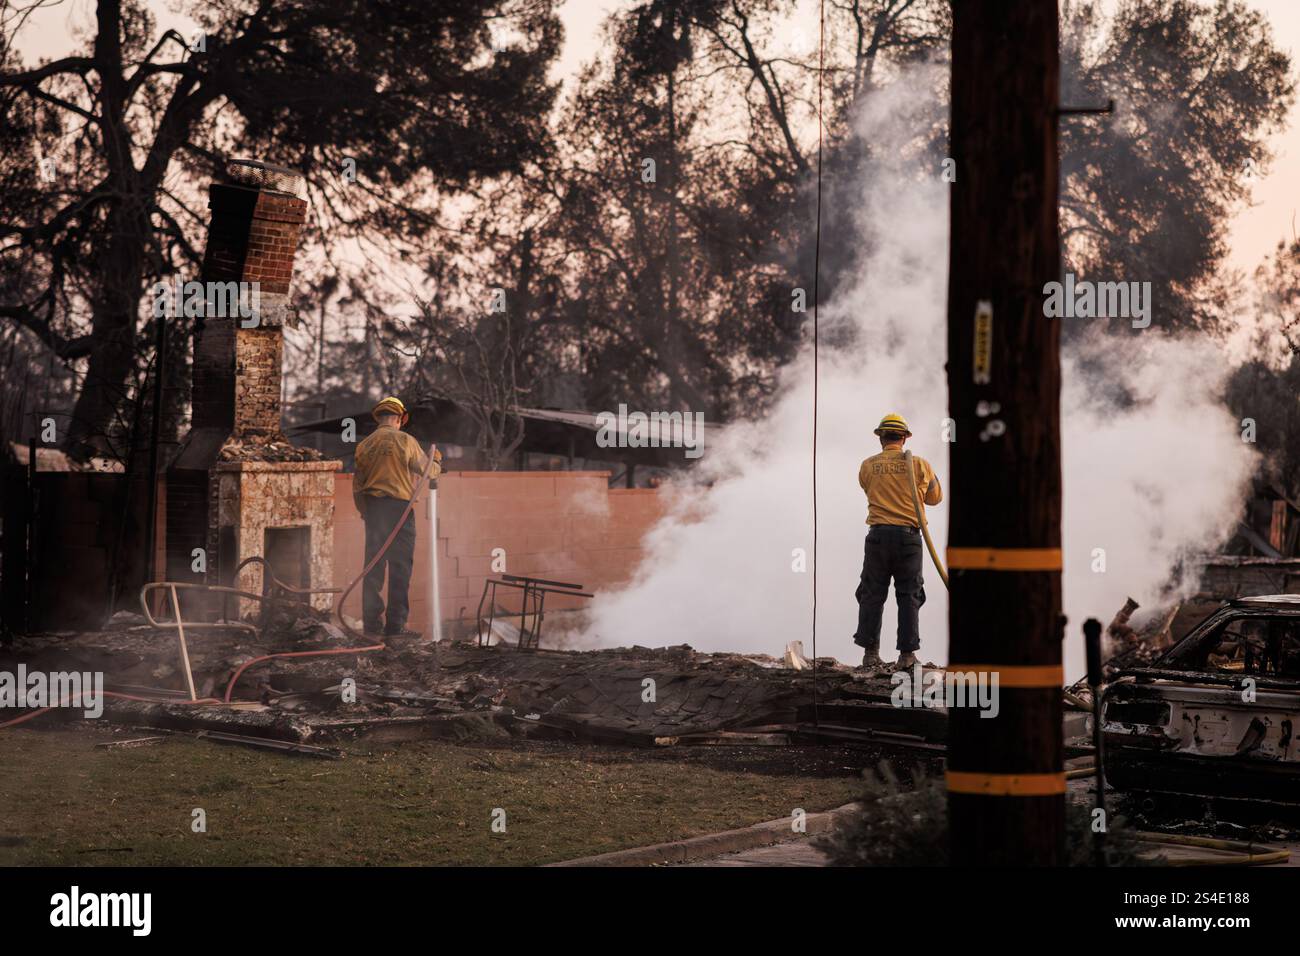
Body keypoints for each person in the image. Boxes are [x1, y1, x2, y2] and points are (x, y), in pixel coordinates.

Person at [853, 413, 942, 669]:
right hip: (909, 539)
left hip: (878, 538)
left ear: (881, 437)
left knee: (872, 593)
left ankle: (870, 654)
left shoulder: (867, 465)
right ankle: (906, 656)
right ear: (904, 438)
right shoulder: (920, 465)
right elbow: (935, 498)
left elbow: (868, 488)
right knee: (909, 595)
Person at [352, 396, 441, 638]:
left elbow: (357, 488)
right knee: (400, 569)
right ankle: (395, 628)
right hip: (400, 510)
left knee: (373, 568)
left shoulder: (364, 445)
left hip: (373, 510)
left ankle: (371, 626)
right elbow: (429, 471)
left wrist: (365, 513)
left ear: (378, 418)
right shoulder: (406, 441)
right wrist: (438, 461)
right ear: (400, 419)